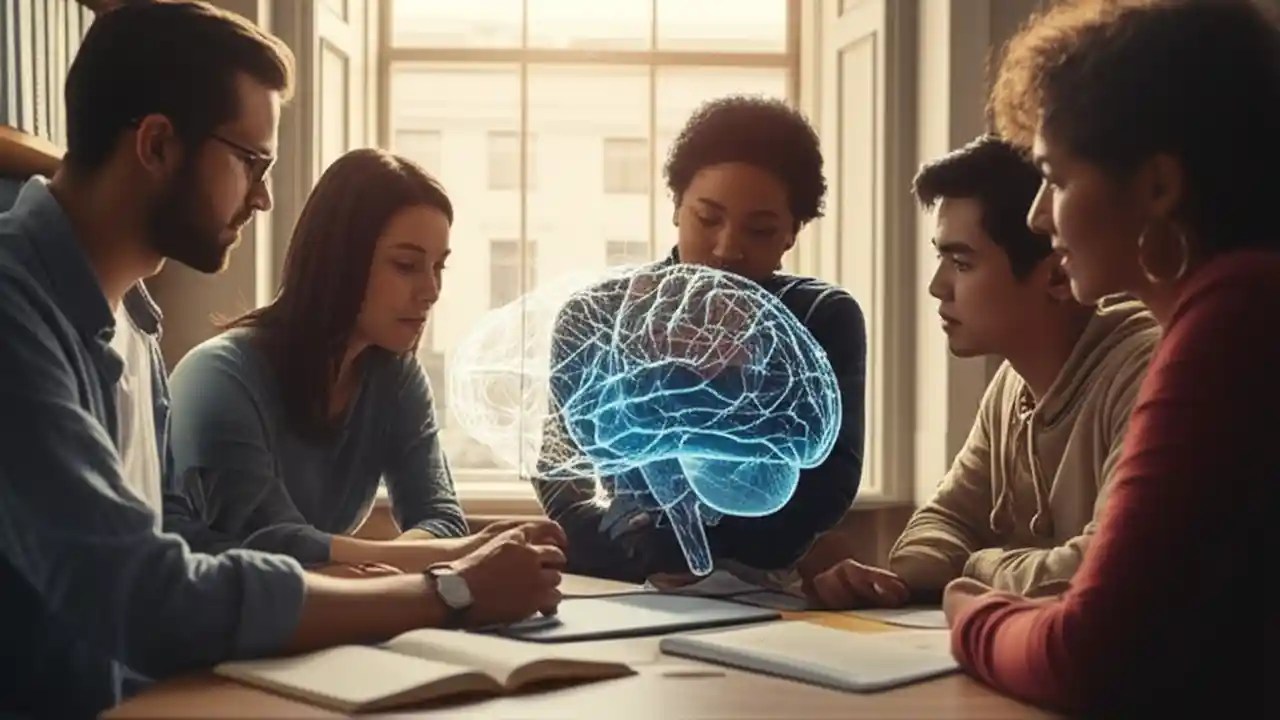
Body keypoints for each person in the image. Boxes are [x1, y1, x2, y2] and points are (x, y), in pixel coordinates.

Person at [0, 4, 561, 716]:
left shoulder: (135, 327)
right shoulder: (14, 311)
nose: (265, 196)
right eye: (251, 161)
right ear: (157, 145)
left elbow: (180, 560)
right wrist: (448, 591)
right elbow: (142, 593)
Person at [945, 0, 1279, 714]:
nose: (1040, 215)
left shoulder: (1236, 319)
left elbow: (1090, 657)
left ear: (1158, 186)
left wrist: (971, 617)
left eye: (1056, 178)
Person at [801, 135, 1157, 608]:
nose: (936, 287)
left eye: (961, 262)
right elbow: (945, 521)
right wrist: (891, 580)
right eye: (940, 258)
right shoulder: (1012, 385)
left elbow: (1103, 567)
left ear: (1055, 276)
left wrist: (977, 564)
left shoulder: (1145, 373)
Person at [534, 95, 867, 583]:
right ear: (675, 207)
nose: (726, 248)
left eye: (760, 229)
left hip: (752, 585)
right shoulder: (596, 312)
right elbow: (562, 472)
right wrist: (645, 555)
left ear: (792, 233)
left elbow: (828, 485)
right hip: (609, 585)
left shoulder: (821, 317)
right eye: (707, 219)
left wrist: (708, 559)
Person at [166, 148, 507, 573]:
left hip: (306, 611)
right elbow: (273, 542)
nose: (431, 290)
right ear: (340, 259)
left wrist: (385, 570)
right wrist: (431, 563)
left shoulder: (394, 377)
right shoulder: (216, 378)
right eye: (406, 265)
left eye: (439, 267)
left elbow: (440, 517)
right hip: (208, 624)